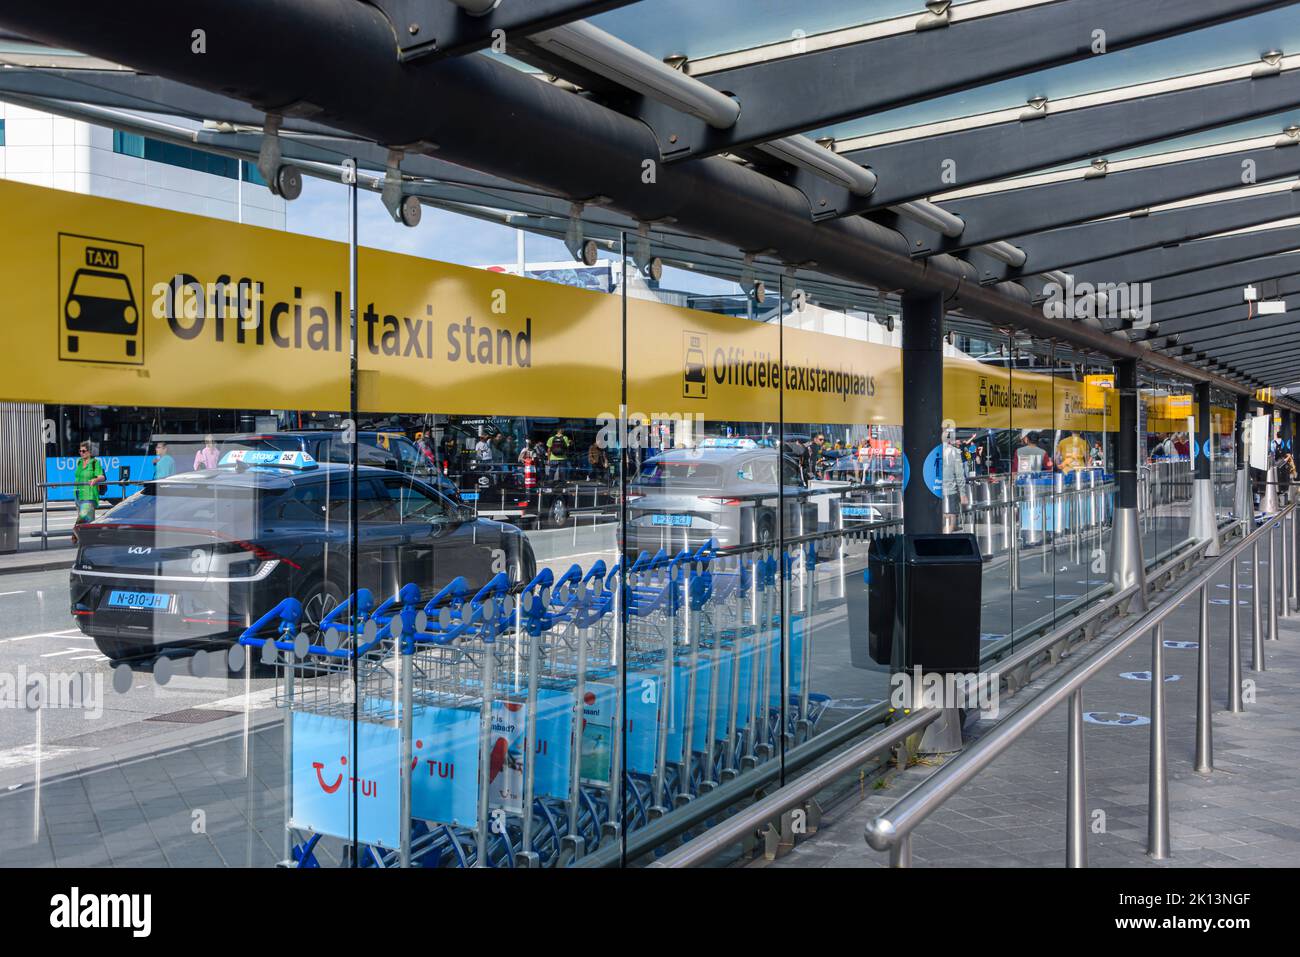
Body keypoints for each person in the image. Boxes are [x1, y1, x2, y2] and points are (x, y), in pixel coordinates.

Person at [72, 440, 106, 539]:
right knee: (88, 519)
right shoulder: (79, 462)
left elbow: (102, 477)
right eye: (80, 451)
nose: (81, 453)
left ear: (90, 452)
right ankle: (88, 539)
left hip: (89, 494)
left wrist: (96, 479)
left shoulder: (95, 462)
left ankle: (75, 535)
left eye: (84, 451)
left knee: (83, 516)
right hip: (78, 494)